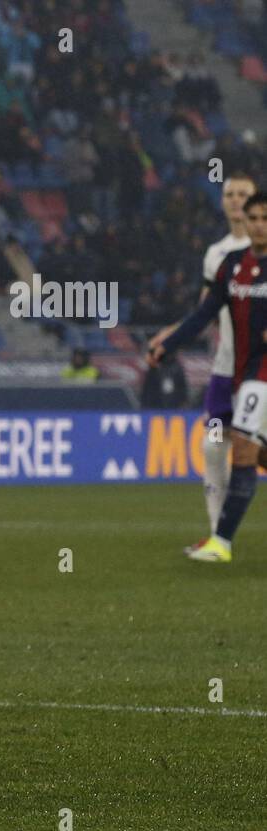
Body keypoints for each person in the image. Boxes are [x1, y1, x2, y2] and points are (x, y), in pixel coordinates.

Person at [149, 190, 267, 563]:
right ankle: (218, 534)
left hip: (260, 377)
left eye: (266, 218)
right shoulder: (228, 262)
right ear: (243, 222)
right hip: (232, 375)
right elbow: (204, 314)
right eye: (254, 218)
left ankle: (222, 541)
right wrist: (170, 344)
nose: (260, 225)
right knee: (226, 443)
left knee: (244, 449)